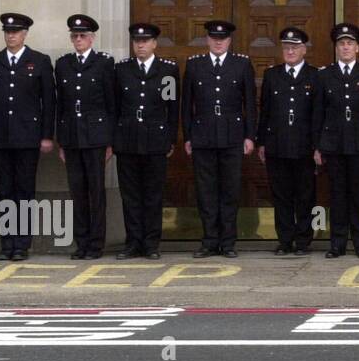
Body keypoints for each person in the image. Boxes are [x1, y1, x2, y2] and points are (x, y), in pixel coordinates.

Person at [0, 13, 54, 261]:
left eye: (15, 32)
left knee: (24, 190)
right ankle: (7, 243)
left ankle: (22, 244)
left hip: (27, 138)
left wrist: (46, 136)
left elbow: (49, 102)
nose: (10, 35)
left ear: (24, 34)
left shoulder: (40, 61)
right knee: (4, 191)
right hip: (1, 138)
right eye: (7, 32)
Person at [181, 20, 256, 258]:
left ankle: (228, 242)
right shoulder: (195, 65)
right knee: (206, 191)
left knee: (230, 191)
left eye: (222, 38)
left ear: (229, 41)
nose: (218, 41)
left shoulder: (241, 64)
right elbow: (186, 105)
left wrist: (250, 135)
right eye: (214, 37)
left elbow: (251, 104)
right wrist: (188, 135)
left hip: (232, 136)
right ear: (207, 40)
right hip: (203, 136)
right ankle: (209, 241)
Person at [313, 22, 359, 259]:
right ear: (336, 48)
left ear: (357, 48)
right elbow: (318, 114)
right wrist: (317, 146)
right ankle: (338, 244)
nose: (345, 47)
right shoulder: (324, 74)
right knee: (337, 195)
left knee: (358, 195)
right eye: (341, 44)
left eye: (350, 43)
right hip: (332, 144)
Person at [53, 14, 117, 260]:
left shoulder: (104, 63)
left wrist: (111, 141)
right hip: (71, 136)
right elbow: (61, 105)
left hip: (96, 137)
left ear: (92, 38)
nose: (78, 39)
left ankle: (96, 244)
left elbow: (111, 103)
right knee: (77, 192)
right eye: (75, 36)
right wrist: (61, 140)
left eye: (82, 36)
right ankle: (81, 242)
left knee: (96, 192)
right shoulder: (63, 64)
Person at [112, 23, 177, 260]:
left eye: (145, 41)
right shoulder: (121, 70)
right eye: (137, 41)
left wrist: (170, 139)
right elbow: (115, 107)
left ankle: (151, 243)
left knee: (153, 195)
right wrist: (114, 139)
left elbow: (172, 107)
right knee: (130, 195)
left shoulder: (167, 71)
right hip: (128, 140)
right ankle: (133, 242)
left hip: (155, 142)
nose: (140, 45)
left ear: (154, 44)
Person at [257, 27, 318, 256]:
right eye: (286, 47)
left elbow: (318, 113)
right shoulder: (272, 75)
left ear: (304, 50)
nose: (290, 51)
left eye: (294, 47)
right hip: (277, 145)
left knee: (305, 195)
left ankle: (303, 240)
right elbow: (265, 111)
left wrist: (318, 145)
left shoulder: (314, 75)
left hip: (304, 146)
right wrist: (261, 141)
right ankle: (285, 240)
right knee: (281, 196)